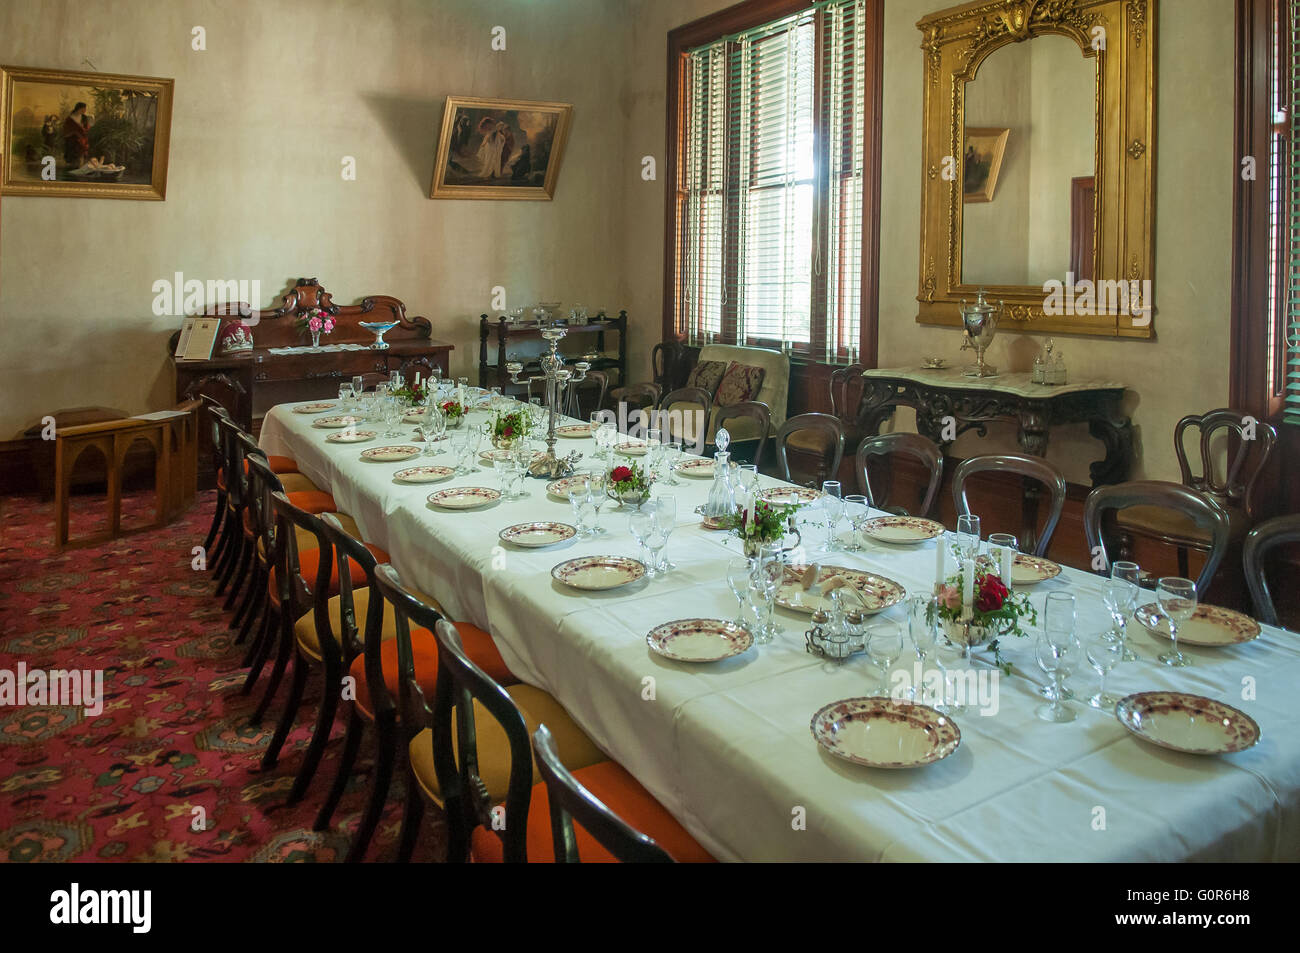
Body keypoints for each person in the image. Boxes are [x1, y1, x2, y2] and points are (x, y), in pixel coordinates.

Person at [62, 102, 90, 167]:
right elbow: (66, 130)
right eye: (84, 109)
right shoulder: (70, 118)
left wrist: (83, 128)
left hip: (82, 139)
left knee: (81, 156)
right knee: (73, 158)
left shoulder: (84, 117)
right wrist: (75, 132)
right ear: (79, 108)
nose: (85, 110)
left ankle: (80, 168)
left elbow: (87, 128)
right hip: (72, 140)